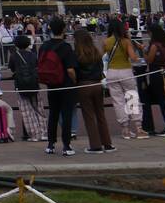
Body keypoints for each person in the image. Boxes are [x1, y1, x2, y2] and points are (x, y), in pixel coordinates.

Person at [39, 16, 80, 156]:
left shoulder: (44, 45)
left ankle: (50, 145)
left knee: (53, 114)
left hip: (51, 84)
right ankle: (66, 146)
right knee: (66, 115)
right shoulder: (66, 47)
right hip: (65, 85)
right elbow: (70, 69)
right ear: (63, 29)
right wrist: (75, 81)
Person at [72, 28, 115, 153]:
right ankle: (107, 143)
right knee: (101, 115)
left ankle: (95, 145)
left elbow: (74, 71)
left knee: (89, 116)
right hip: (97, 84)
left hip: (84, 85)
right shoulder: (96, 51)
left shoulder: (76, 54)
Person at [103, 18, 142, 141]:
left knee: (118, 101)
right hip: (125, 71)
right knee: (132, 97)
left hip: (111, 73)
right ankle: (138, 127)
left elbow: (103, 57)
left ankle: (125, 129)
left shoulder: (106, 42)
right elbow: (133, 58)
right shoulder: (126, 41)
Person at [139, 24, 165, 137]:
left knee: (159, 99)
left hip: (155, 73)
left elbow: (149, 60)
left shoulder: (154, 45)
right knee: (152, 96)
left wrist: (144, 51)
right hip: (163, 71)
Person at [8, 35, 44, 142]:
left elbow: (12, 68)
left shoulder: (14, 56)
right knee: (39, 109)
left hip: (21, 84)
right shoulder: (33, 55)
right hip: (34, 83)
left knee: (27, 111)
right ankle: (43, 132)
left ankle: (34, 134)